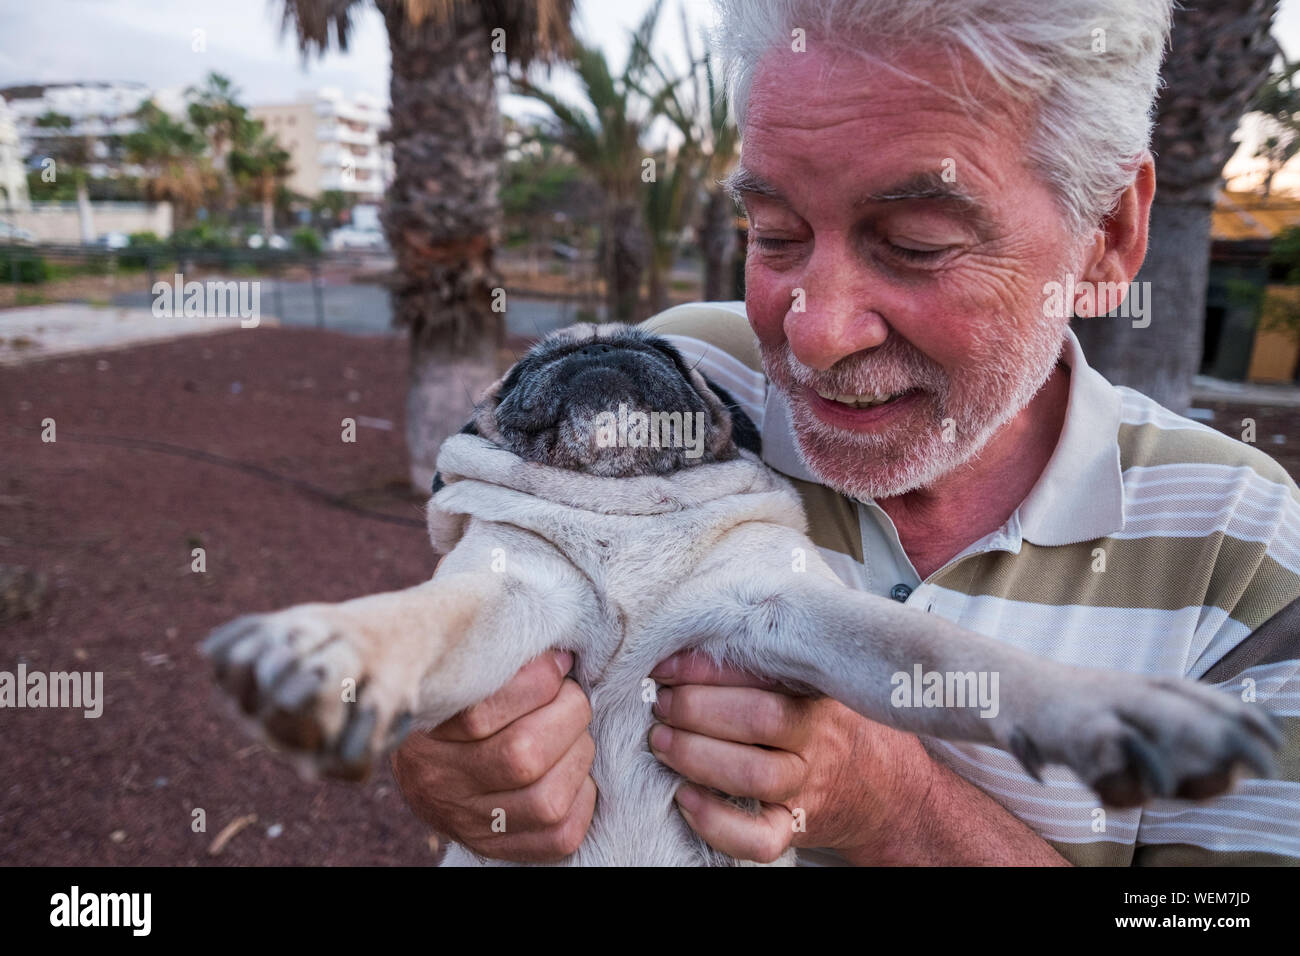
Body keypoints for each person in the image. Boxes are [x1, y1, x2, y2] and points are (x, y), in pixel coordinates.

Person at [392, 0, 1300, 865]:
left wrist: (893, 808)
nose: (815, 333)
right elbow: (472, 655)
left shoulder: (1242, 545)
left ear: (1108, 236)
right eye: (775, 233)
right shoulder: (674, 391)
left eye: (914, 245)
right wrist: (450, 765)